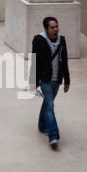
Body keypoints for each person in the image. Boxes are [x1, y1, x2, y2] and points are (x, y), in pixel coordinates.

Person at [31, 16, 70, 149]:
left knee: (48, 103)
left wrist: (67, 81)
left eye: (56, 27)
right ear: (46, 29)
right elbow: (34, 61)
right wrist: (33, 82)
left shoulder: (62, 40)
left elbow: (64, 61)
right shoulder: (38, 40)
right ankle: (54, 135)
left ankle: (42, 126)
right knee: (50, 105)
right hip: (45, 79)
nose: (55, 30)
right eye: (52, 27)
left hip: (56, 79)